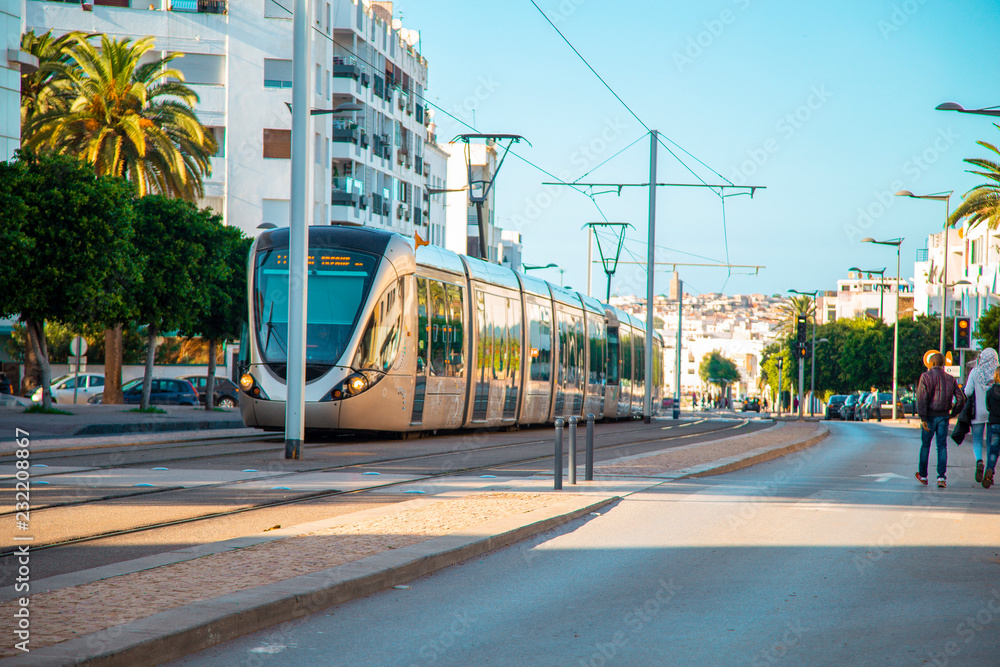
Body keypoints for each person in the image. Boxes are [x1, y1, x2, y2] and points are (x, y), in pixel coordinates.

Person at [916, 352, 966, 487]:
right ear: (942, 364)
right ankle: (941, 478)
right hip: (944, 416)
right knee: (942, 447)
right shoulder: (950, 378)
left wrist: (923, 417)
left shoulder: (925, 377)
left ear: (931, 364)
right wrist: (953, 413)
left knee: (925, 445)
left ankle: (923, 476)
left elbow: (922, 399)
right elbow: (961, 398)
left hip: (930, 417)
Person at [964, 348, 998, 483]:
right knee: (991, 443)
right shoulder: (997, 373)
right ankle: (990, 468)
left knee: (977, 440)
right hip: (993, 414)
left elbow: (967, 392)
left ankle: (979, 461)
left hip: (977, 412)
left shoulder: (975, 372)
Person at [982, 367, 1000, 489]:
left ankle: (989, 469)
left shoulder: (990, 392)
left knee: (993, 450)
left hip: (993, 423)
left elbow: (988, 406)